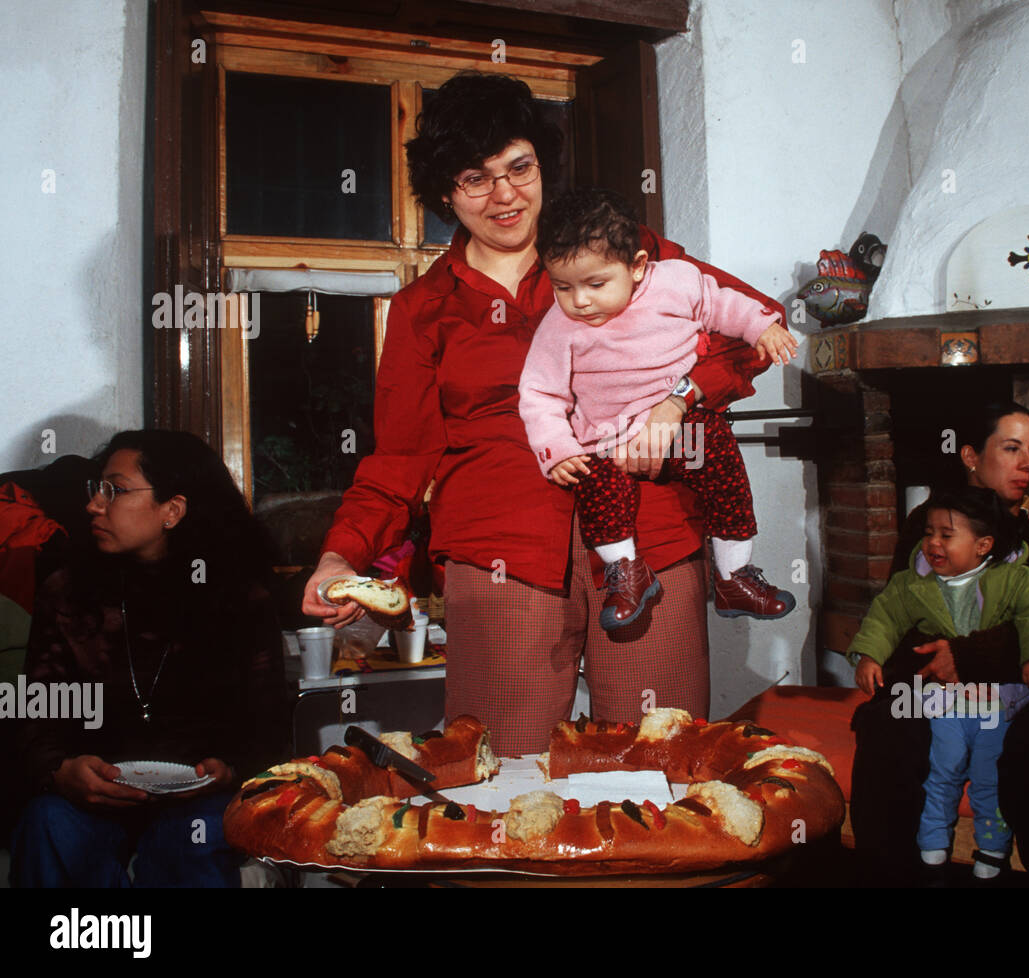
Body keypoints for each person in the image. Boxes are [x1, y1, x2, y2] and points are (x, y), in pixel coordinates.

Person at [301, 73, 786, 755]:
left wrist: (682, 399)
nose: (505, 195)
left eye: (518, 168)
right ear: (445, 192)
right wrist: (339, 554)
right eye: (477, 178)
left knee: (659, 761)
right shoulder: (421, 311)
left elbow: (755, 327)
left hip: (648, 531)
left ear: (543, 166)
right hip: (500, 552)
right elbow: (401, 457)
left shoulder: (624, 252)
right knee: (501, 772)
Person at [11, 430, 288, 887]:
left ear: (172, 511)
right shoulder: (67, 592)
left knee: (192, 840)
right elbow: (35, 713)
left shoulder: (239, 601)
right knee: (48, 824)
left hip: (197, 802)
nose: (94, 505)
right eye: (96, 489)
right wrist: (61, 771)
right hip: (93, 797)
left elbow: (270, 731)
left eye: (114, 491)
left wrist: (228, 769)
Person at [517, 188, 798, 631]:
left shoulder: (677, 281)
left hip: (684, 424)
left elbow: (723, 304)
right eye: (563, 287)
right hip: (607, 439)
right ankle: (627, 573)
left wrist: (761, 325)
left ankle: (733, 575)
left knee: (724, 473)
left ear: (637, 266)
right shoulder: (558, 325)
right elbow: (539, 393)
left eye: (595, 284)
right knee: (598, 494)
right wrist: (555, 447)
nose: (580, 301)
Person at [850, 400, 1029, 886]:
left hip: (1025, 681)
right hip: (937, 684)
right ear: (970, 456)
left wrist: (967, 656)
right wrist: (881, 657)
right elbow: (900, 606)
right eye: (1010, 449)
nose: (1027, 464)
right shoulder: (934, 519)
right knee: (887, 729)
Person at [849, 487, 1029, 880]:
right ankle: (931, 842)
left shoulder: (1018, 580)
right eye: (930, 532)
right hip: (945, 703)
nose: (933, 542)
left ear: (983, 545)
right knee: (941, 772)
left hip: (995, 705)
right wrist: (869, 655)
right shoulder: (913, 583)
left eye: (947, 535)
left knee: (989, 779)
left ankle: (994, 848)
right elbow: (884, 617)